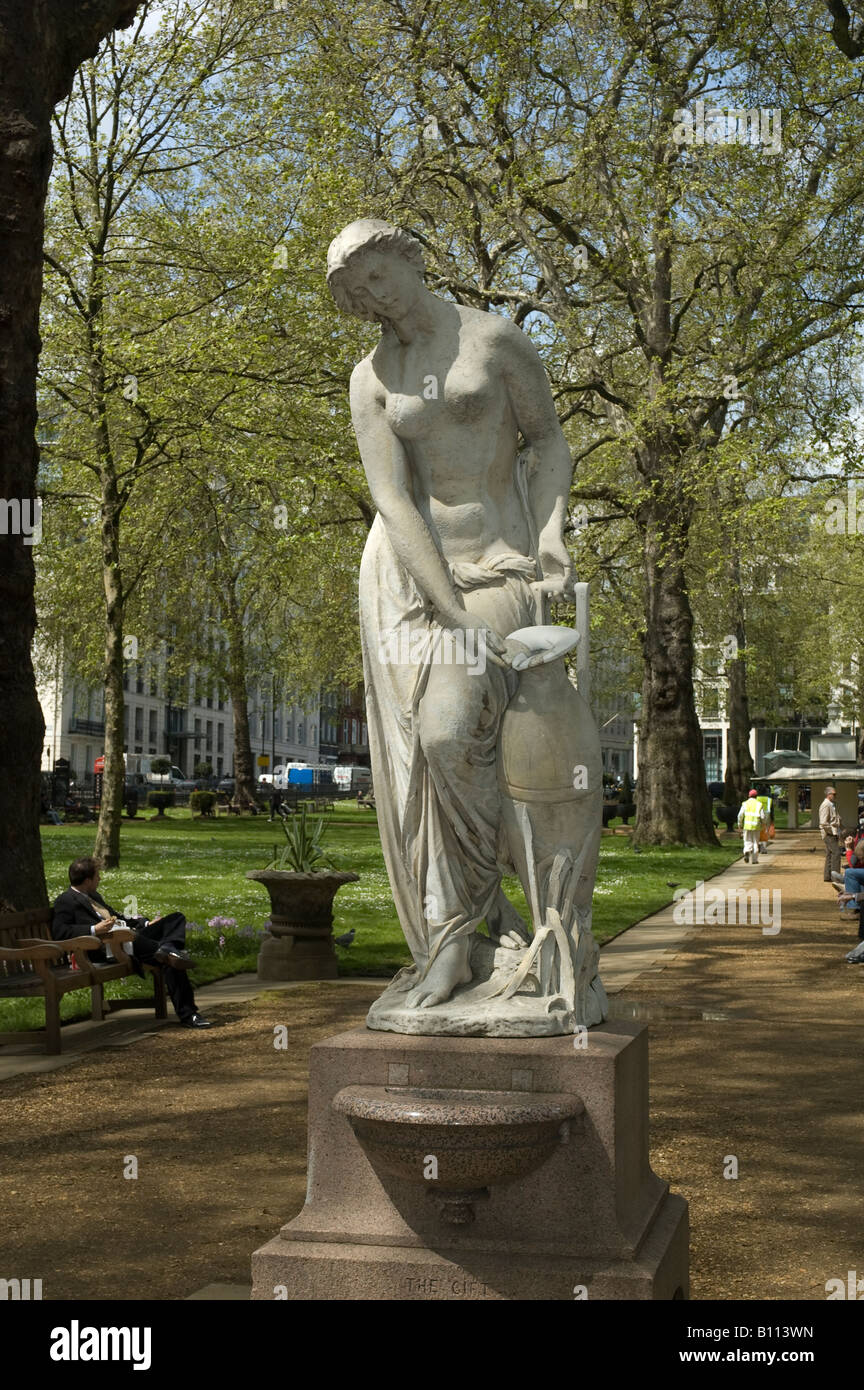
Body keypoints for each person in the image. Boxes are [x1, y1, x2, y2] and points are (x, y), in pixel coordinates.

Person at [328, 217, 582, 1010]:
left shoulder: (493, 341)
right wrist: (444, 603)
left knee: (446, 731)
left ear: (411, 259)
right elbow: (392, 498)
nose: (375, 297)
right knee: (422, 764)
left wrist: (551, 535)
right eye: (358, 292)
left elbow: (549, 443)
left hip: (496, 565)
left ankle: (503, 927)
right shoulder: (371, 378)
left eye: (378, 275)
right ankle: (458, 940)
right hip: (408, 581)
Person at [51, 858, 213, 1029]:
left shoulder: (94, 896)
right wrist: (94, 929)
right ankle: (189, 1014)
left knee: (176, 918)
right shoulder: (65, 900)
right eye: (97, 876)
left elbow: (119, 918)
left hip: (130, 939)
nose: (100, 878)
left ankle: (168, 948)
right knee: (171, 959)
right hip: (109, 947)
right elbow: (60, 932)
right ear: (87, 880)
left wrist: (145, 924)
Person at [818, 786, 844, 883]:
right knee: (836, 853)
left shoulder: (831, 804)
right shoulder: (826, 805)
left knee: (830, 854)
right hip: (829, 834)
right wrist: (832, 832)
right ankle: (836, 878)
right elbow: (823, 823)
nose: (835, 796)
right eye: (834, 794)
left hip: (831, 833)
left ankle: (828, 876)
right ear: (828, 794)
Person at [737, 789, 766, 863]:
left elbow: (740, 815)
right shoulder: (759, 804)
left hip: (747, 826)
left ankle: (747, 851)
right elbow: (763, 817)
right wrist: (763, 824)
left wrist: (739, 824)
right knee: (755, 842)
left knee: (747, 840)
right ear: (756, 796)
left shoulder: (745, 804)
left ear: (749, 796)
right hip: (756, 826)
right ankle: (754, 860)